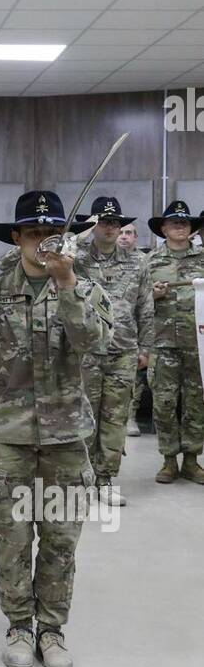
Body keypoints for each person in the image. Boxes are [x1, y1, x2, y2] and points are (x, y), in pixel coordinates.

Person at [0, 191, 113, 667]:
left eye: (52, 233)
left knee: (61, 538)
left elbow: (97, 344)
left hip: (66, 439)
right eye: (34, 233)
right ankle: (20, 625)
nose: (43, 242)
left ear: (63, 239)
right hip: (7, 440)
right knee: (13, 536)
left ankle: (53, 628)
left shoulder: (85, 289)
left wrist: (67, 281)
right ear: (18, 238)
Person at [74, 197, 152, 505]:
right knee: (84, 415)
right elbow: (49, 255)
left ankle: (105, 479)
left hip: (124, 351)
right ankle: (82, 477)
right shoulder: (77, 258)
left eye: (113, 222)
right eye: (102, 222)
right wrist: (81, 231)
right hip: (87, 350)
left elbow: (146, 307)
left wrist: (146, 348)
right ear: (94, 225)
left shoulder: (138, 262)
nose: (109, 227)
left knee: (115, 418)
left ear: (121, 226)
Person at [146, 201, 204, 485]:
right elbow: (136, 301)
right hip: (163, 343)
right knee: (164, 403)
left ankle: (192, 461)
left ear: (192, 229)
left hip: (198, 344)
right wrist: (152, 296)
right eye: (174, 222)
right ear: (164, 228)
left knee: (197, 403)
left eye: (185, 222)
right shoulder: (150, 261)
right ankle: (169, 460)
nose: (180, 226)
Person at [117, 222, 148, 435]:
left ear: (135, 237)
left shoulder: (145, 261)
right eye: (121, 232)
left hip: (134, 329)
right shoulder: (93, 259)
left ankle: (130, 418)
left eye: (129, 233)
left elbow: (147, 300)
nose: (124, 236)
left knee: (133, 378)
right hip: (106, 331)